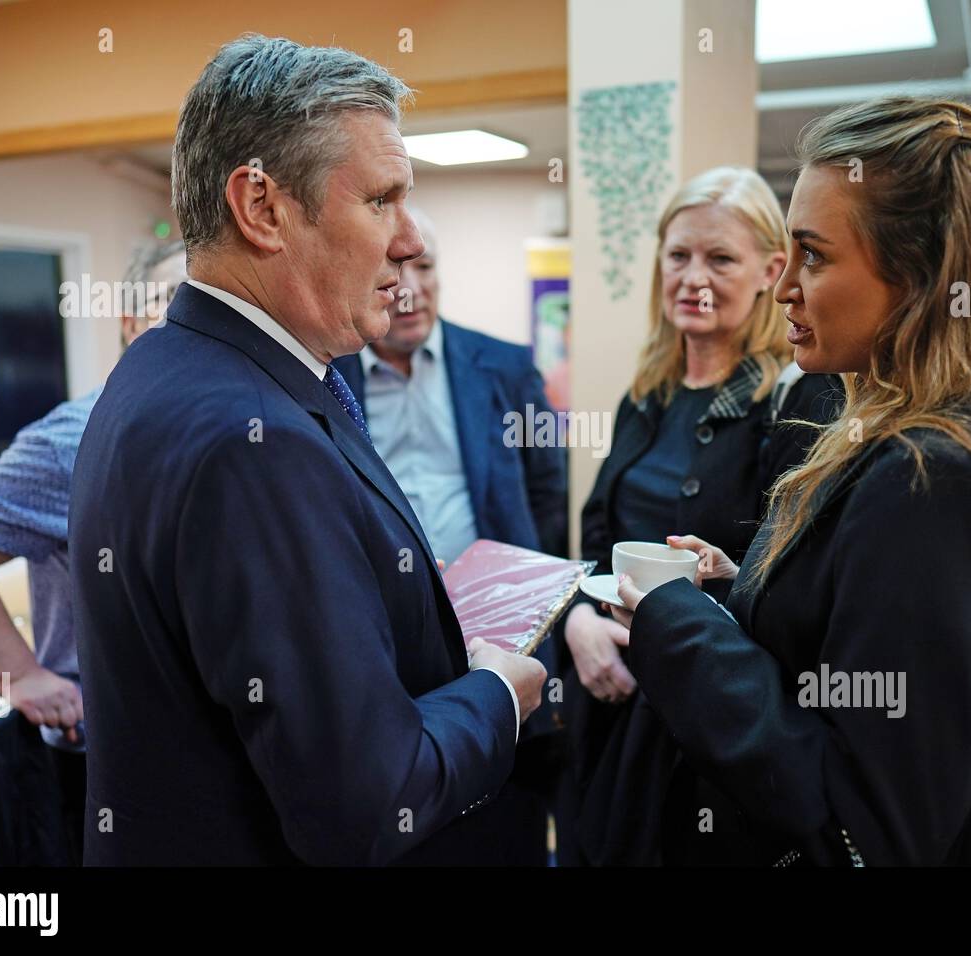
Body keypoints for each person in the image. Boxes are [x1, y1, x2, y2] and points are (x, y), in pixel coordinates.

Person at [69, 34, 545, 866]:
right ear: (262, 208)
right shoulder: (252, 442)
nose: (409, 244)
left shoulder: (166, 364)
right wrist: (497, 694)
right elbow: (366, 803)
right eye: (382, 201)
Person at [609, 97, 971, 866]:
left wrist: (679, 624)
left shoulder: (940, 478)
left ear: (917, 276)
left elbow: (863, 824)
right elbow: (847, 656)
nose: (785, 290)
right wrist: (740, 596)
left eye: (814, 255)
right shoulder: (898, 437)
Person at [560, 166, 843, 865]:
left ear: (771, 271)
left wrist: (704, 596)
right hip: (609, 703)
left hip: (700, 728)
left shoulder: (796, 402)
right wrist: (579, 623)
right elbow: (595, 541)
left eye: (721, 259)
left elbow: (797, 593)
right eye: (679, 255)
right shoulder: (646, 395)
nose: (695, 277)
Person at [0, 240, 185, 864]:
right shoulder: (76, 437)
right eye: (176, 302)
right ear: (131, 323)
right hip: (108, 772)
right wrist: (23, 676)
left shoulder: (215, 423)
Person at [333, 206, 568, 865]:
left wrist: (531, 596)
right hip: (389, 642)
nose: (409, 288)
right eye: (392, 270)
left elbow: (547, 493)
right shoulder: (330, 376)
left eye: (424, 267)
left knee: (504, 821)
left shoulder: (503, 365)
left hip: (500, 630)